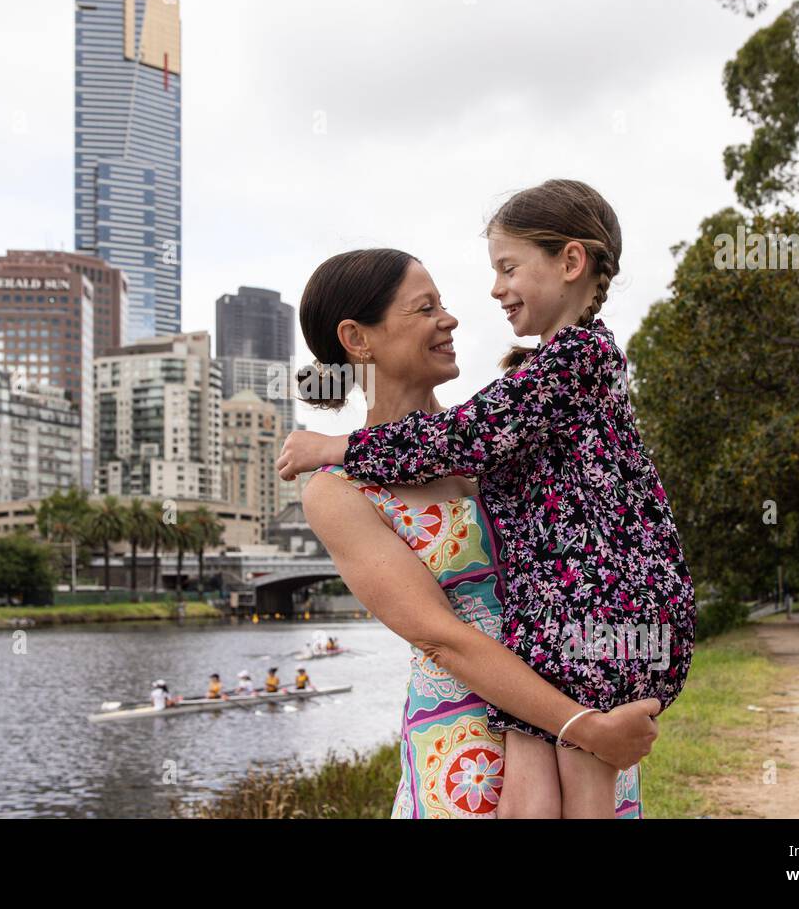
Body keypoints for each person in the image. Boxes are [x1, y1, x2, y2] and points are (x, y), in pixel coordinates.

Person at [276, 240, 666, 818]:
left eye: (444, 303)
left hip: (583, 727)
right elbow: (441, 637)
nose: (450, 318)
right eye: (425, 307)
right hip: (473, 755)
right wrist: (582, 725)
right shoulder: (338, 492)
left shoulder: (499, 438)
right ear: (357, 339)